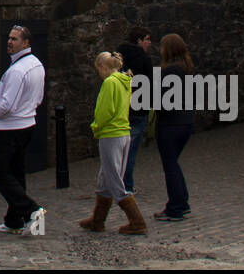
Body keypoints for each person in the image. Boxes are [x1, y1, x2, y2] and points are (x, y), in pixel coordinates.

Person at [0, 25, 45, 234]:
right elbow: (38, 99)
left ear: (26, 43)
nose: (10, 42)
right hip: (27, 124)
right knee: (16, 171)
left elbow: (7, 104)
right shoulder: (36, 64)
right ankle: (14, 220)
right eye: (9, 38)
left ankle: (32, 211)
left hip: (10, 128)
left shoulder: (18, 70)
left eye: (15, 39)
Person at [80, 51, 146, 234]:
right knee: (105, 178)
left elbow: (104, 110)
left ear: (102, 67)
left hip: (111, 133)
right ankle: (97, 220)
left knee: (114, 179)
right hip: (123, 132)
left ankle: (137, 221)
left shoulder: (110, 83)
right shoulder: (124, 81)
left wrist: (96, 126)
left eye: (98, 69)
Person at [154, 34, 195, 222]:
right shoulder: (187, 69)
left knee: (170, 165)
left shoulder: (168, 72)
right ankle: (181, 202)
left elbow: (160, 101)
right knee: (174, 164)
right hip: (185, 122)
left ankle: (176, 207)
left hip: (170, 124)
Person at [118, 27, 152, 194]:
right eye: (146, 39)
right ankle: (127, 185)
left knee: (118, 150)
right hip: (137, 108)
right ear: (138, 40)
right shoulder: (144, 59)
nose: (149, 42)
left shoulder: (118, 56)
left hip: (120, 107)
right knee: (130, 150)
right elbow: (149, 83)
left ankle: (116, 183)